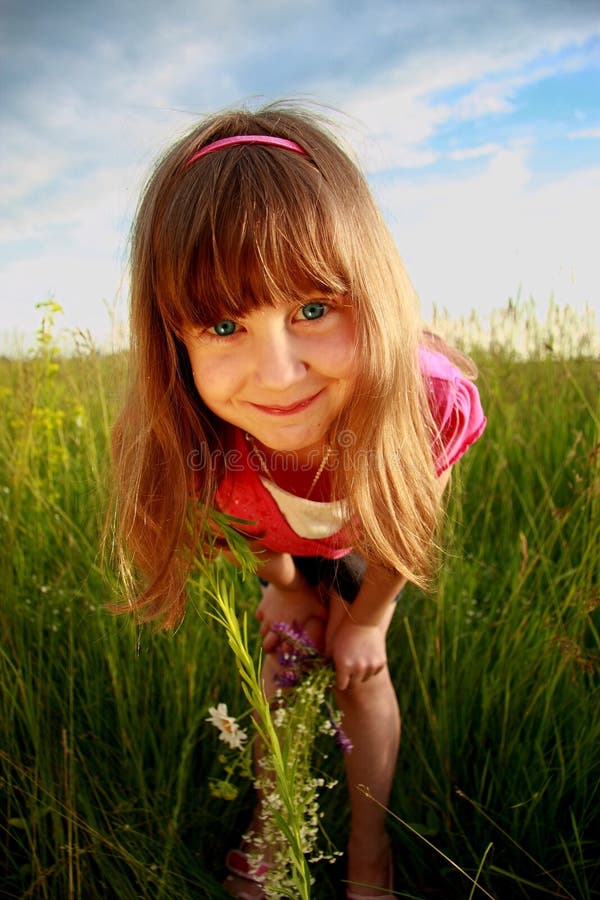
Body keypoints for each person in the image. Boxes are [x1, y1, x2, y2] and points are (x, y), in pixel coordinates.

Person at [109, 102, 486, 899]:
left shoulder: (427, 403)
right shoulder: (196, 437)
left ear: (369, 293)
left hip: (370, 542)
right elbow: (246, 531)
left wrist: (367, 619)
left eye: (313, 309)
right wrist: (284, 586)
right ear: (174, 339)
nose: (279, 375)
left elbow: (406, 528)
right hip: (283, 543)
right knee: (283, 666)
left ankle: (369, 847)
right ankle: (276, 822)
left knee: (360, 674)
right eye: (223, 325)